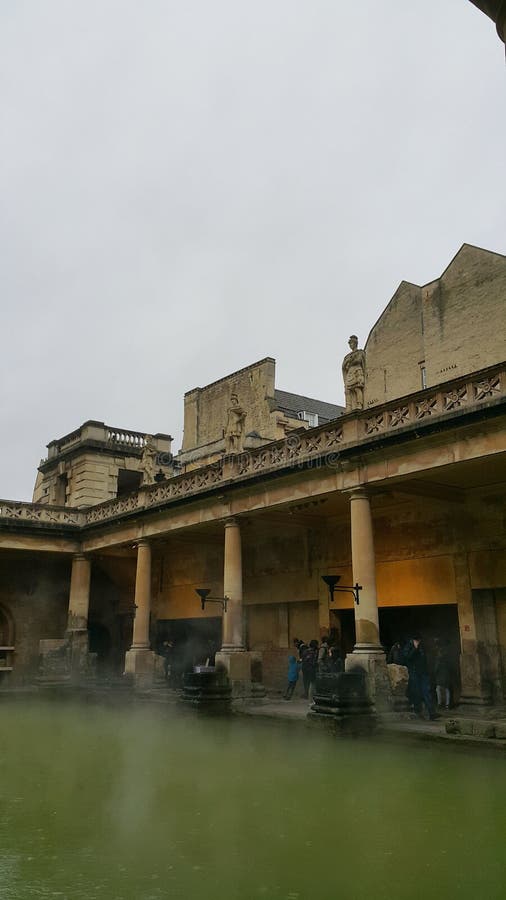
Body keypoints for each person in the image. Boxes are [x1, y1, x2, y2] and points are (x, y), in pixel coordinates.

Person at [404, 635, 438, 720]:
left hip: (423, 673)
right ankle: (418, 712)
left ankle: (431, 712)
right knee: (417, 693)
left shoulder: (421, 647)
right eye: (417, 640)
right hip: (414, 673)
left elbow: (424, 659)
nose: (419, 642)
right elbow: (408, 657)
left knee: (427, 692)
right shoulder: (409, 647)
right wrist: (415, 648)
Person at [434, 639, 452, 710]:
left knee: (438, 689)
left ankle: (440, 703)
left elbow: (436, 668)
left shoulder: (439, 658)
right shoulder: (447, 655)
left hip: (441, 675)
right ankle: (447, 704)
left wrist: (434, 672)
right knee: (446, 689)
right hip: (446, 674)